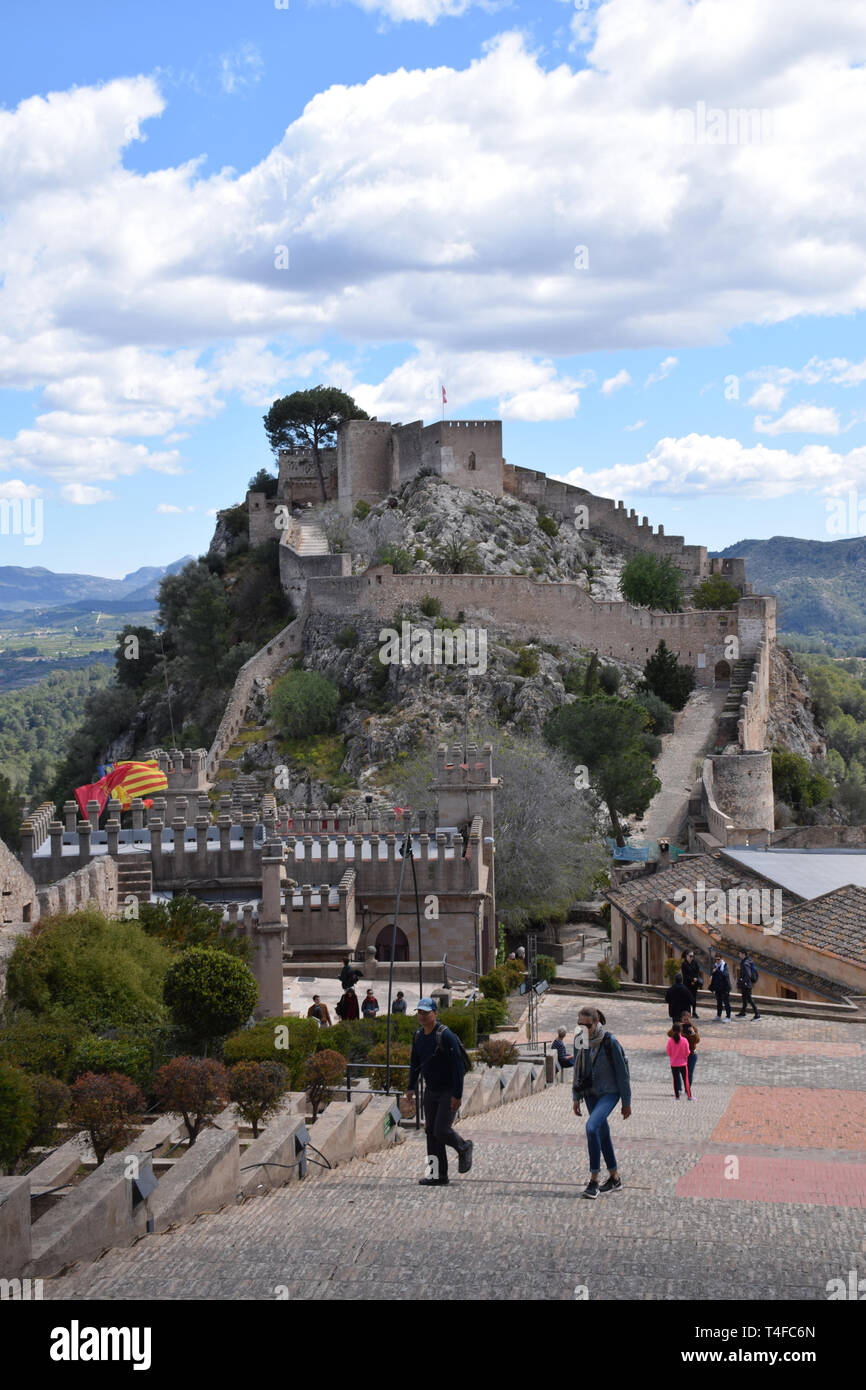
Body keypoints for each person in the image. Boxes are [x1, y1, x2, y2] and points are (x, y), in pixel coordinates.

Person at [406, 998, 472, 1186]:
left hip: (448, 1090)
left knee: (441, 1130)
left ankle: (464, 1147)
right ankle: (437, 1175)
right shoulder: (418, 1035)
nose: (422, 1016)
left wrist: (457, 1095)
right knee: (430, 1133)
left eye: (426, 1013)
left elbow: (458, 1067)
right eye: (419, 1012)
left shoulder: (445, 1035)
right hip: (431, 1090)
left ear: (435, 1013)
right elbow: (415, 1063)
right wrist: (411, 1086)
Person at [572, 1005, 631, 1199]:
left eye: (586, 1025)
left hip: (609, 1093)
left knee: (591, 1127)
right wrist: (576, 1097)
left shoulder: (610, 1041)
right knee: (602, 1132)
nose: (582, 1028)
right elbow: (577, 1070)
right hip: (589, 1092)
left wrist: (626, 1102)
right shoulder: (580, 1038)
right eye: (579, 1024)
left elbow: (622, 1074)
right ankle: (615, 1178)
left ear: (596, 1023)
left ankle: (594, 1180)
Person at [668, 1010, 700, 1093]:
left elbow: (697, 1040)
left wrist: (692, 1032)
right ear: (681, 1020)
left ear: (690, 1019)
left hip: (691, 1054)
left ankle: (687, 1089)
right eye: (684, 1020)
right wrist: (678, 1028)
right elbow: (669, 1034)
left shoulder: (693, 1028)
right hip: (680, 1055)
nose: (686, 1021)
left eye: (687, 1019)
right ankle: (678, 1089)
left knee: (689, 1073)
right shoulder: (679, 1027)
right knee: (677, 1072)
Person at [666, 1022, 692, 1099]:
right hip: (683, 1063)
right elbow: (687, 1052)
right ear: (681, 1030)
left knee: (675, 1080)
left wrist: (673, 1056)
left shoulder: (670, 1041)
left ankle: (677, 1096)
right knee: (685, 1080)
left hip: (674, 1063)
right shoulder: (684, 1040)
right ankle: (689, 1096)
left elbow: (668, 1052)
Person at [736, 952, 761, 1020]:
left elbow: (748, 975)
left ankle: (757, 1014)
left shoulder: (745, 963)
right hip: (746, 983)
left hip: (746, 984)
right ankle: (743, 1012)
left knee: (749, 999)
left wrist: (742, 981)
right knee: (744, 998)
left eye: (740, 953)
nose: (739, 955)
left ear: (744, 954)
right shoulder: (746, 961)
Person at [709, 954, 732, 1021]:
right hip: (718, 987)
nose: (717, 961)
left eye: (718, 959)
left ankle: (728, 1017)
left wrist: (717, 971)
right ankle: (718, 1015)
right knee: (719, 1002)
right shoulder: (715, 966)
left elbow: (725, 975)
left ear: (721, 959)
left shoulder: (725, 966)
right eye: (716, 959)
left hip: (725, 987)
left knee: (726, 1002)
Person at [681, 951, 703, 1017]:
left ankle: (694, 1012)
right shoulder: (684, 964)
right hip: (687, 984)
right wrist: (692, 980)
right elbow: (685, 975)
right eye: (690, 956)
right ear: (686, 956)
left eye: (692, 956)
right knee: (687, 999)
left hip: (694, 984)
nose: (691, 957)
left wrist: (695, 978)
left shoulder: (695, 962)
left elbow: (698, 971)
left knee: (694, 998)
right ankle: (688, 1012)